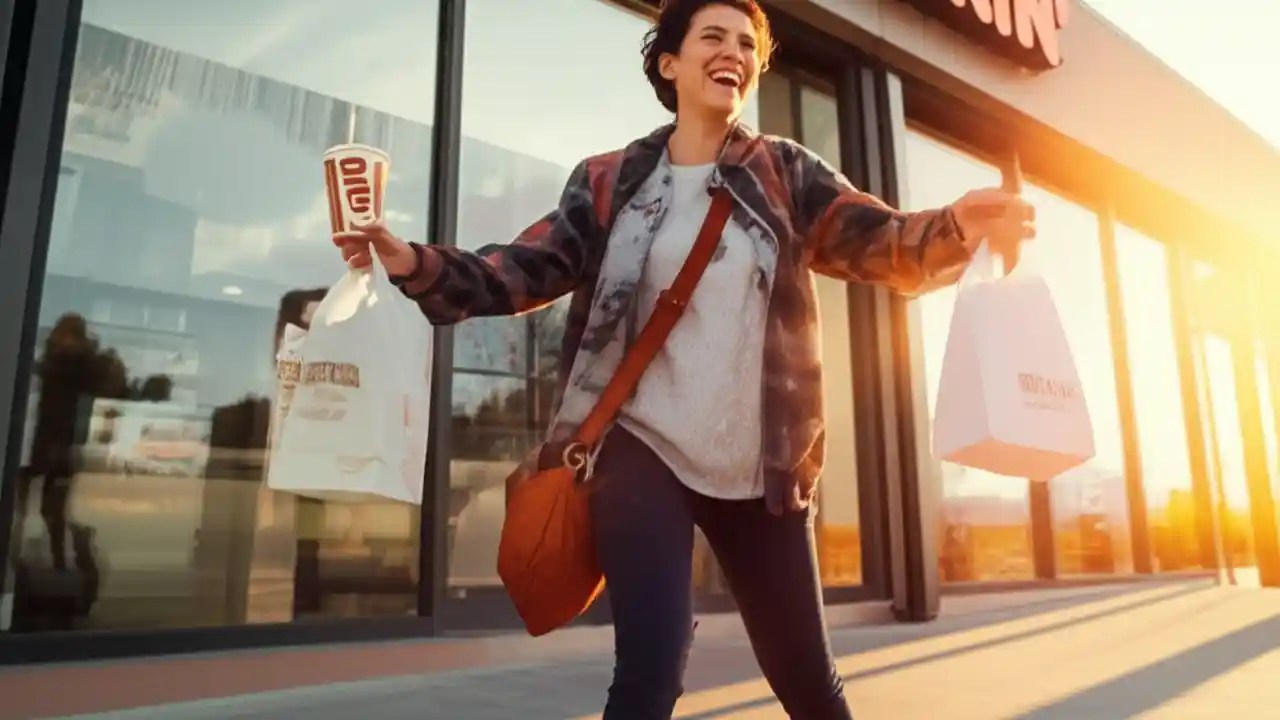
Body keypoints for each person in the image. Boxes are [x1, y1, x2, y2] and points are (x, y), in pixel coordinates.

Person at [335, 1, 1035, 716]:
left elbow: (882, 241)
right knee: (650, 672)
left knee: (807, 682)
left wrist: (957, 226)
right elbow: (524, 268)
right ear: (670, 63)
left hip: (762, 462)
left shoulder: (784, 173)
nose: (733, 52)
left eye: (746, 44)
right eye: (713, 37)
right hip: (640, 448)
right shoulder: (610, 180)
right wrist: (412, 261)